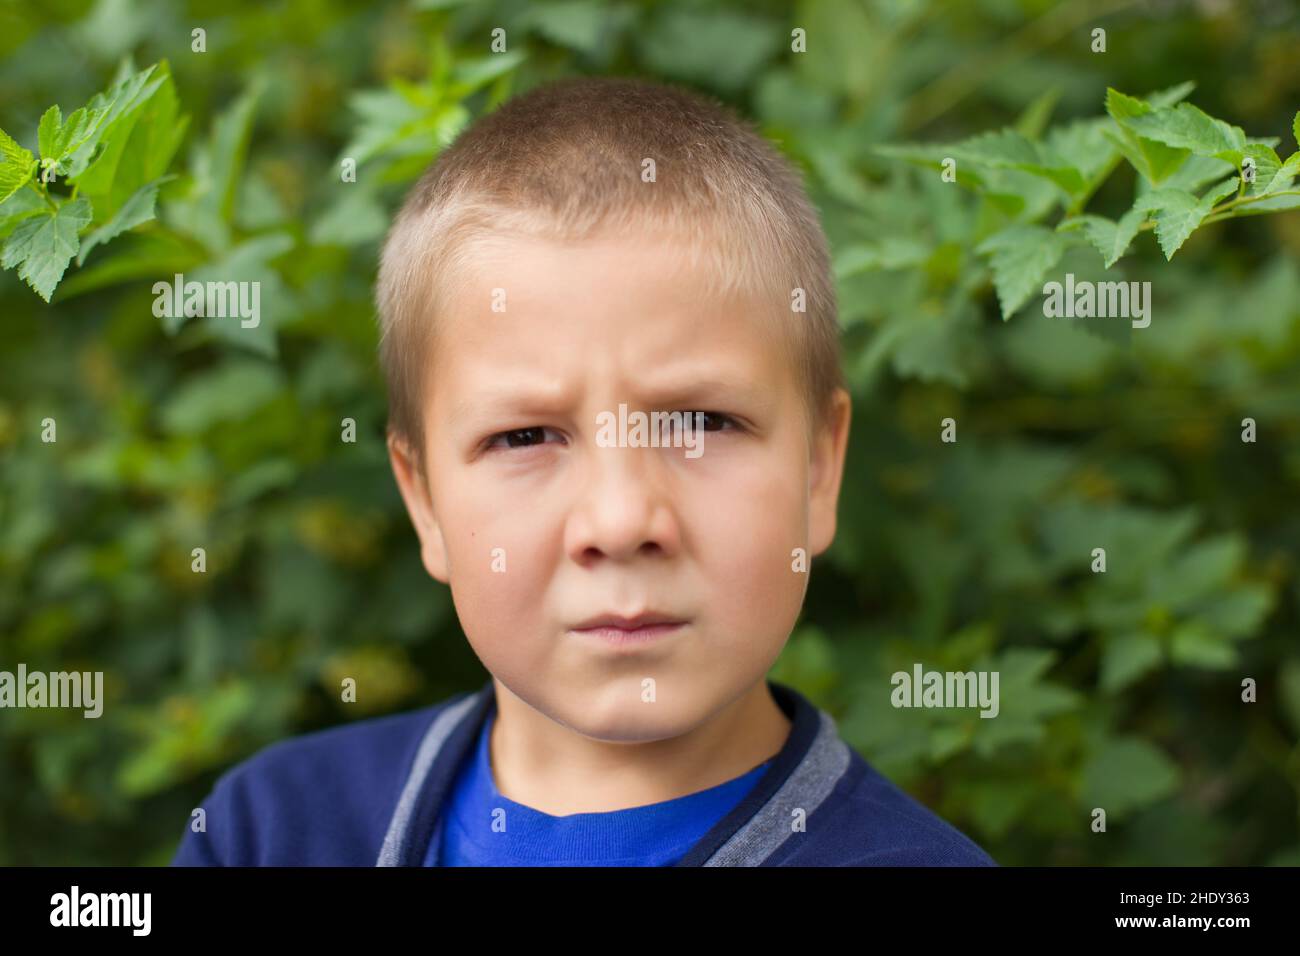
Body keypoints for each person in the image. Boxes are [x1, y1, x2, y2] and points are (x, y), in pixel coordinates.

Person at [173, 75, 995, 867]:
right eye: (526, 435)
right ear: (423, 502)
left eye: (702, 423)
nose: (621, 520)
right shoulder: (271, 829)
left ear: (819, 469)